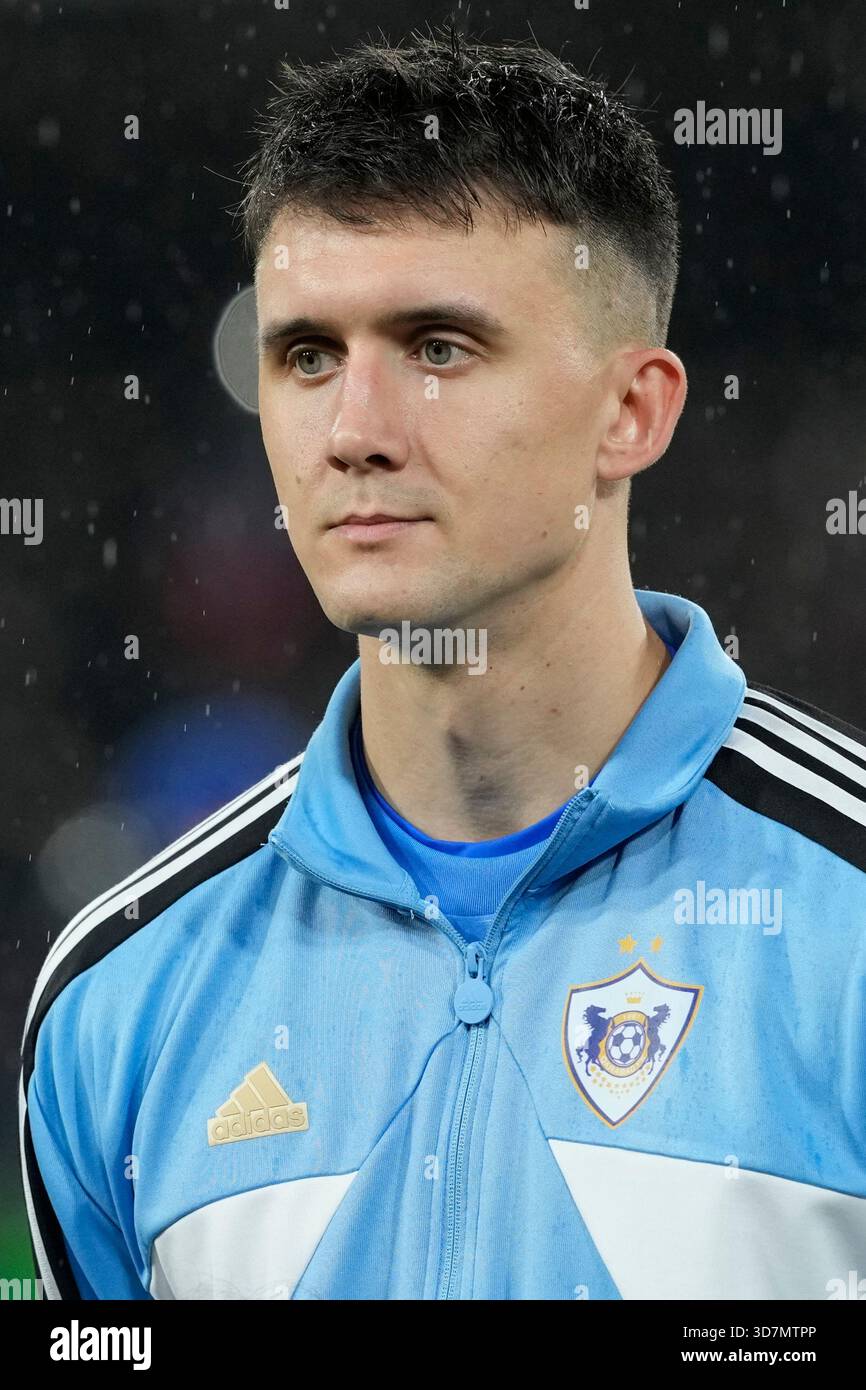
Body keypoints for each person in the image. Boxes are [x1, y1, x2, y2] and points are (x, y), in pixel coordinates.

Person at [20, 25, 866, 1302]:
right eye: (306, 356)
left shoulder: (840, 923)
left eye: (437, 348)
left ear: (630, 411)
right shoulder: (115, 998)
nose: (351, 432)